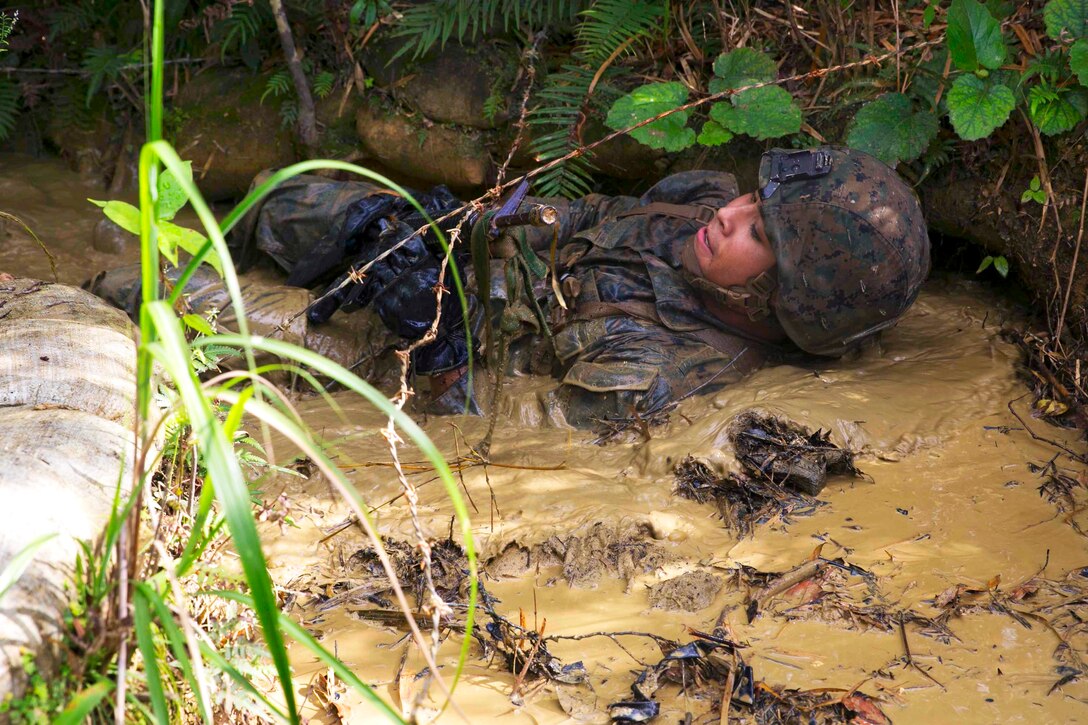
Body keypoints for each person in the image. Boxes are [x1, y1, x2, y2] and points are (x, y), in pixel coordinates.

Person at [87, 146, 930, 429]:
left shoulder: (652, 372)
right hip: (454, 255)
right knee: (298, 196)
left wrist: (435, 339)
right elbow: (587, 208)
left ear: (781, 301)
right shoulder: (699, 199)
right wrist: (457, 230)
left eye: (759, 233)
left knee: (143, 302)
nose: (733, 212)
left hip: (427, 337)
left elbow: (489, 435)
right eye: (754, 198)